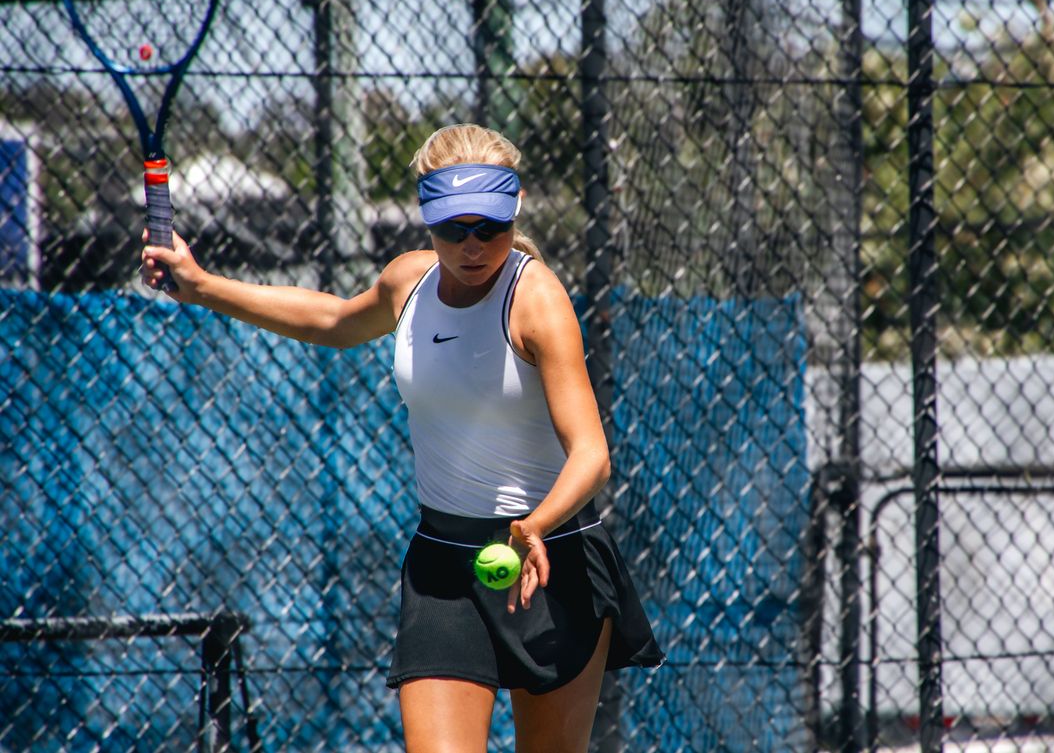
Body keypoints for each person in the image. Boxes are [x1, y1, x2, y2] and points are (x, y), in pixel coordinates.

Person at [141, 122, 664, 752]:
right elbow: (334, 319)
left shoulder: (537, 300)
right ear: (426, 216)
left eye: (490, 227)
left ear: (516, 207)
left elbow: (592, 454)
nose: (473, 245)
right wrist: (203, 288)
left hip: (548, 561)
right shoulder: (408, 282)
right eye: (452, 228)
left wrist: (535, 526)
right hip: (443, 566)